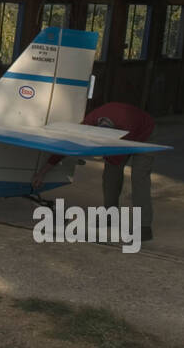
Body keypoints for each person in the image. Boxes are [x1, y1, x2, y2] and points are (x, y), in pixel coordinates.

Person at [32, 101, 156, 242]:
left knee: (139, 178)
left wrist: (101, 152)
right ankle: (110, 215)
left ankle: (145, 227)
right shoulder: (90, 121)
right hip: (125, 129)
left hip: (145, 133)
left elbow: (117, 157)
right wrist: (42, 173)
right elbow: (68, 145)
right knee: (110, 176)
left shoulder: (127, 123)